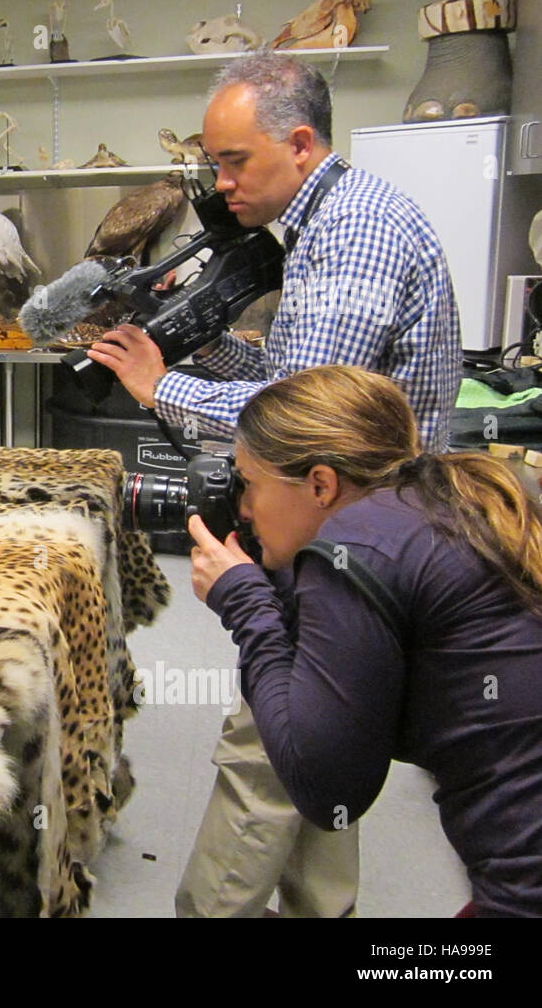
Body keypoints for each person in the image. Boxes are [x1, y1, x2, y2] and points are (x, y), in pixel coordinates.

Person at [87, 49, 462, 917]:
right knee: (329, 743)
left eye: (233, 161)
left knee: (263, 753)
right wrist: (179, 344)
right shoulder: (335, 223)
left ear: (299, 144)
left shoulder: (354, 230)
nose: (219, 186)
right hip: (358, 534)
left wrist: (158, 387)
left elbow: (303, 412)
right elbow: (290, 369)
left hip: (349, 540)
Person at [188, 365, 542, 918]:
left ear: (321, 484)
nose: (243, 509)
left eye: (249, 484)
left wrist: (245, 604)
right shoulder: (446, 503)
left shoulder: (356, 546)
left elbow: (329, 791)